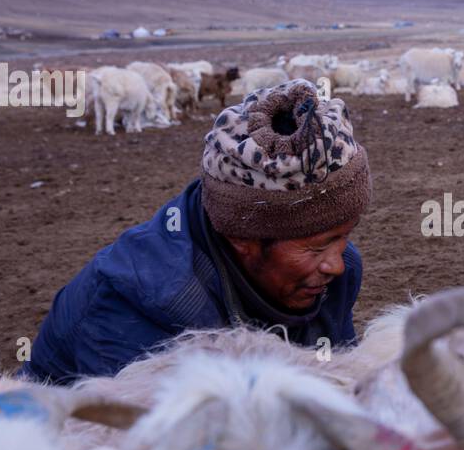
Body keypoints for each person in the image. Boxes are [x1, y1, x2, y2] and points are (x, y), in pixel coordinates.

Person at [22, 79, 370, 384]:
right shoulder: (139, 304)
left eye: (344, 235)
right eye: (315, 247)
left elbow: (335, 377)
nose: (336, 264)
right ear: (242, 238)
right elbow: (140, 447)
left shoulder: (337, 275)